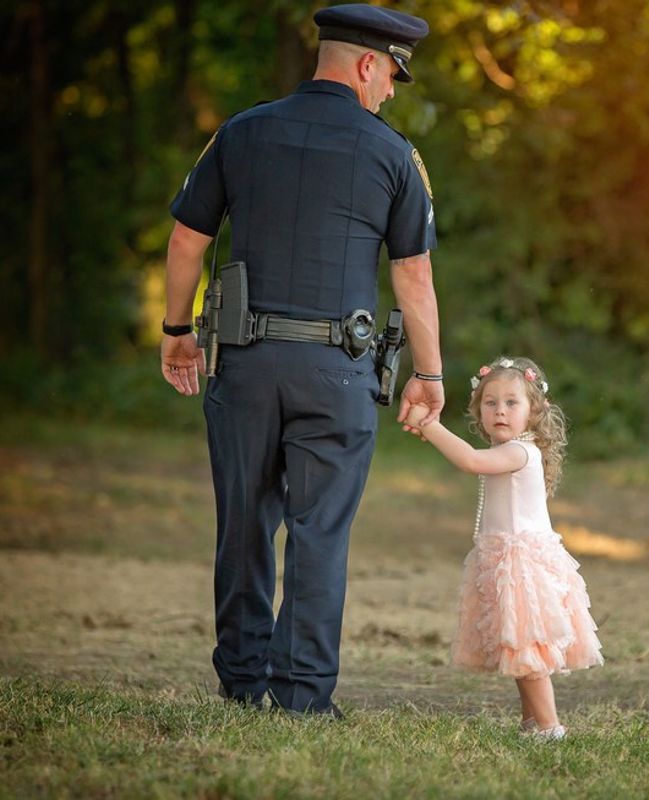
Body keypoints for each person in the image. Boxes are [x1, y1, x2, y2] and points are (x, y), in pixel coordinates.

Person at [158, 3, 445, 717]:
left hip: (245, 365)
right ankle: (303, 697)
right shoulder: (393, 154)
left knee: (243, 524)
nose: (390, 92)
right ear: (369, 65)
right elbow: (413, 274)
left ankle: (240, 682)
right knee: (319, 535)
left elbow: (187, 239)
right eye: (391, 77)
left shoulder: (242, 131)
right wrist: (429, 374)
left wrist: (176, 329)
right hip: (337, 373)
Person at [403, 356, 603, 739]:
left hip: (521, 563)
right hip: (505, 558)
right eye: (490, 402)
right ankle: (531, 721)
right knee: (518, 646)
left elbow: (470, 460)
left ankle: (550, 727)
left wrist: (430, 425)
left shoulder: (519, 452)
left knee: (528, 650)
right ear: (478, 411)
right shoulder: (509, 449)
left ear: (534, 411)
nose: (500, 411)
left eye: (512, 402)